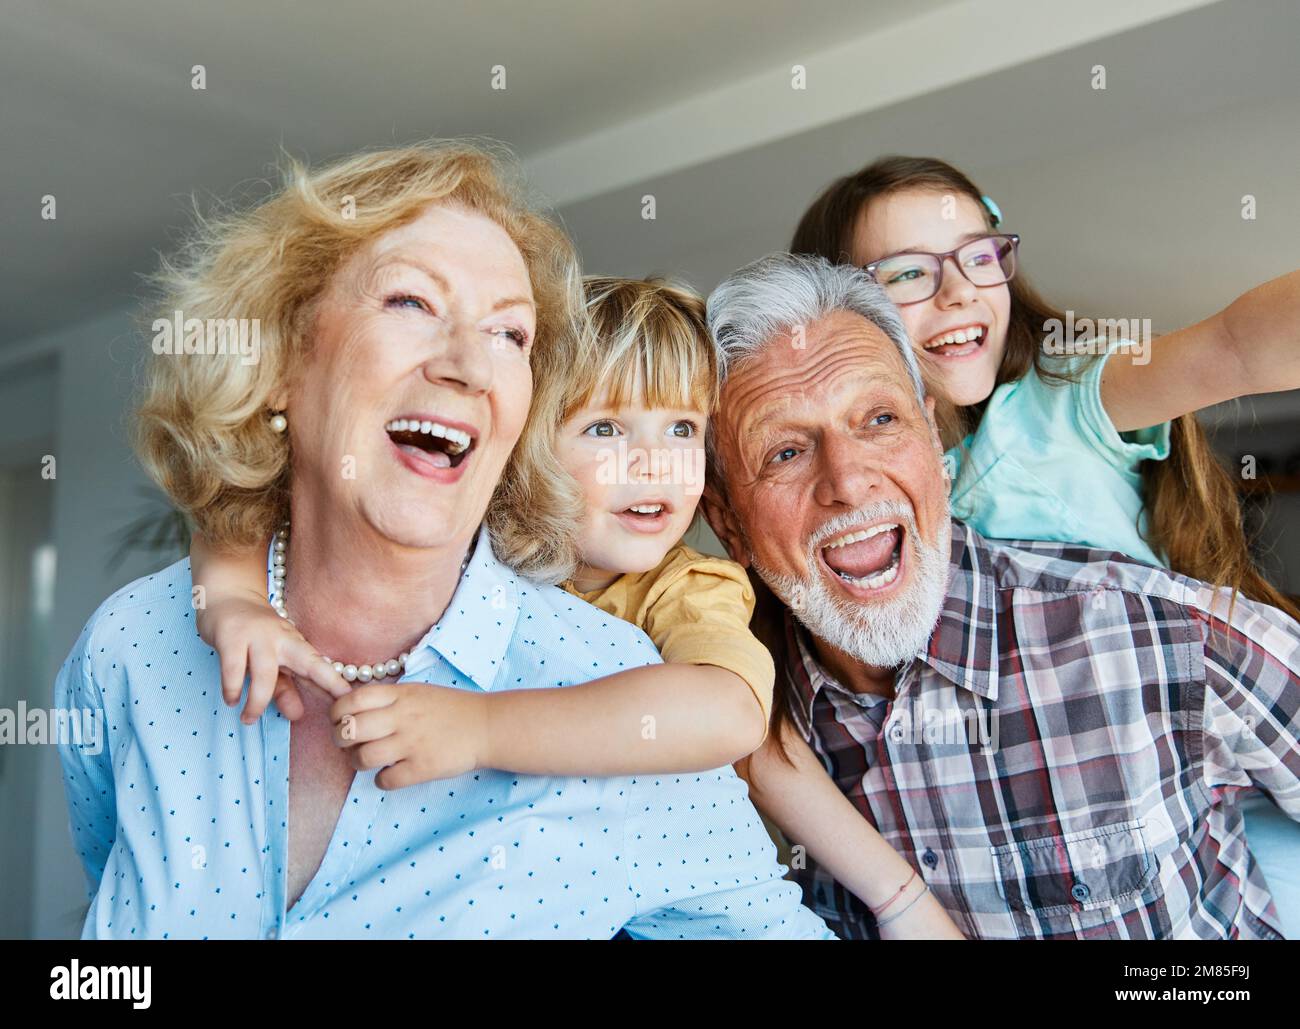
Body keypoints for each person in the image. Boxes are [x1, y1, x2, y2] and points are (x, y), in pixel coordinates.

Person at [53, 141, 834, 940]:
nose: (469, 364)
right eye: (411, 303)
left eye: (509, 334)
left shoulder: (618, 692)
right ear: (282, 358)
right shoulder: (134, 644)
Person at [189, 272, 962, 938]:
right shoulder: (468, 540)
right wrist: (232, 597)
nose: (654, 462)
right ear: (524, 441)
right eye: (604, 427)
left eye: (683, 429)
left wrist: (480, 727)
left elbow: (730, 716)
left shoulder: (684, 587)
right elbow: (251, 494)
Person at [701, 251, 1300, 939]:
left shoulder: (1160, 631)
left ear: (932, 437)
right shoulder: (735, 710)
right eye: (785, 452)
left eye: (879, 421)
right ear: (727, 525)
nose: (848, 479)